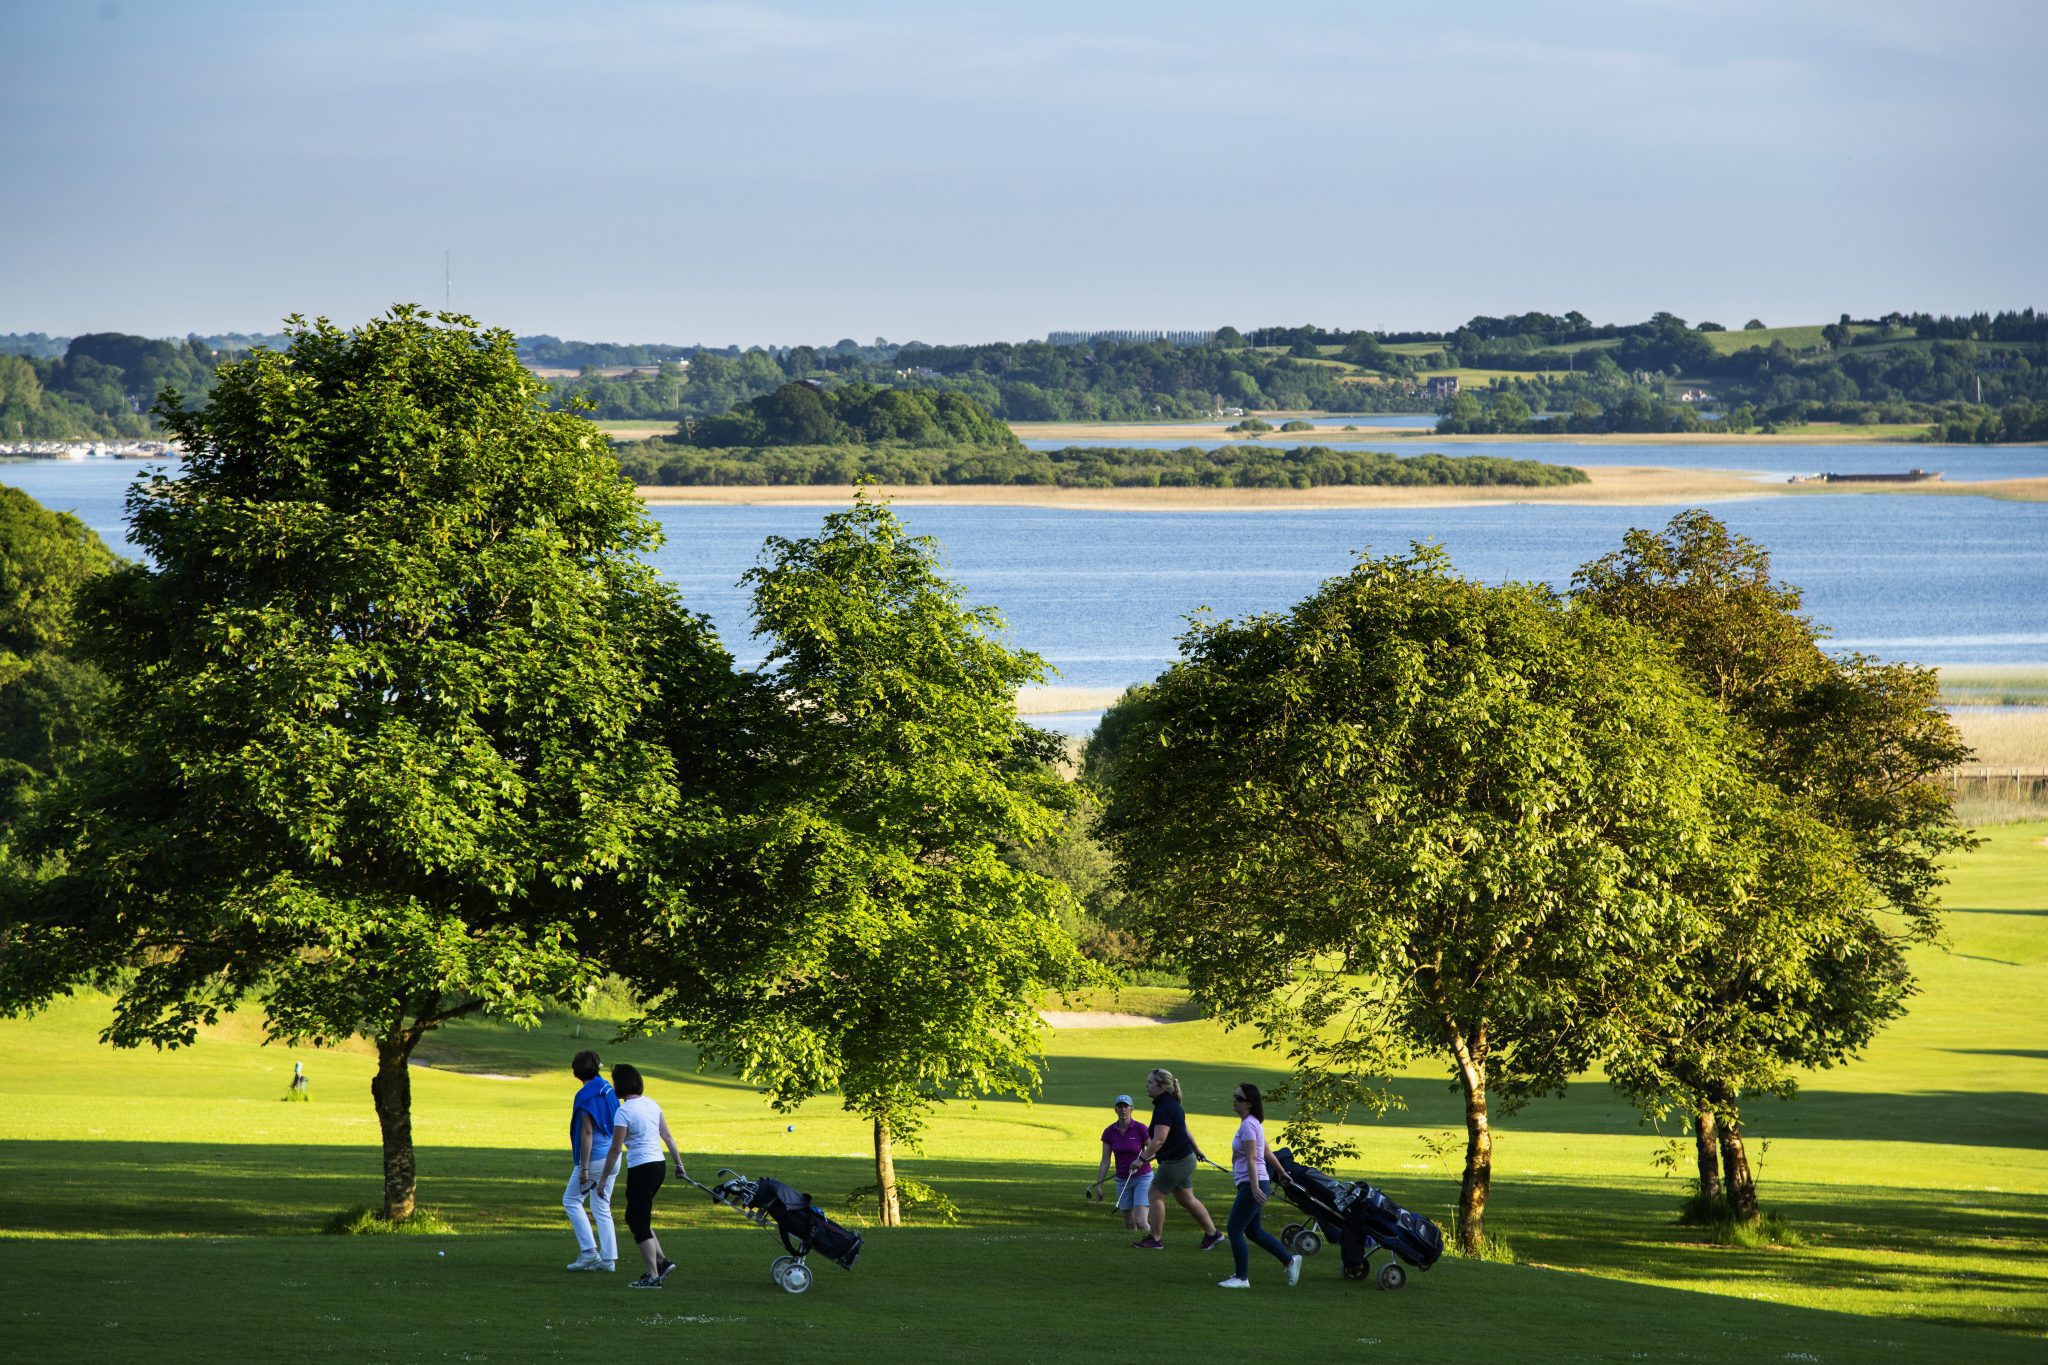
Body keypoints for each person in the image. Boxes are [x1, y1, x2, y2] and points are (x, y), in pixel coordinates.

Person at [597, 1063, 686, 1290]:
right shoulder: (652, 1105)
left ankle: (653, 1275)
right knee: (638, 1217)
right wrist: (678, 1164)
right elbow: (667, 1136)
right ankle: (662, 1262)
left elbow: (616, 1149)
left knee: (638, 1221)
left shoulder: (624, 1111)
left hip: (641, 1168)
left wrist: (603, 1179)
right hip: (658, 1166)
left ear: (620, 1085)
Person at [1216, 1082, 1301, 1290]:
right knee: (1253, 1231)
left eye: (1240, 1098)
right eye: (1234, 1096)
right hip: (1255, 1182)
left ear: (1250, 1104)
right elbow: (1267, 1152)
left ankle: (1241, 1278)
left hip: (1252, 1183)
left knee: (1234, 1229)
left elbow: (1254, 1158)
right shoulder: (1253, 1123)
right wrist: (1281, 1172)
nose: (1235, 1100)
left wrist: (1254, 1188)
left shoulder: (1248, 1125)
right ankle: (1290, 1261)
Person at [1132, 1067, 1222, 1251]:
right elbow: (1183, 1130)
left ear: (1161, 1086)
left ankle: (1155, 1239)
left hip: (1177, 1161)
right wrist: (1196, 1149)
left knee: (1155, 1196)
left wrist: (1141, 1159)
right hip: (1185, 1158)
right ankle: (1213, 1234)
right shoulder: (1169, 1104)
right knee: (1186, 1199)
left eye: (1150, 1082)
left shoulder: (1165, 1107)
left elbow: (1159, 1139)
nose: (1146, 1085)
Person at [563, 1050, 620, 1272]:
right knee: (602, 1206)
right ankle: (608, 1260)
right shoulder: (607, 1089)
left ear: (576, 1071)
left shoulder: (586, 1095)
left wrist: (583, 1168)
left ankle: (589, 1253)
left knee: (571, 1200)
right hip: (613, 1157)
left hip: (595, 1158)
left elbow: (586, 1133)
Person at [1092, 1094, 1153, 1233]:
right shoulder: (1109, 1132)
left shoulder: (1140, 1128)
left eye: (1126, 1106)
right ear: (1115, 1109)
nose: (1123, 1109)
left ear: (1132, 1109)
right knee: (1129, 1224)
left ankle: (1154, 1241)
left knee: (1141, 1220)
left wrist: (1141, 1160)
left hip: (1142, 1177)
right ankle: (1136, 1249)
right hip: (1122, 1179)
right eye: (1120, 1106)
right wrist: (1099, 1184)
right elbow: (1105, 1160)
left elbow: (1154, 1151)